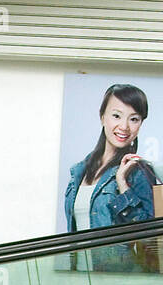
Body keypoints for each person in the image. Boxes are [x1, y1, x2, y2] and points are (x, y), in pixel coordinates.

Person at [63, 84, 156, 272]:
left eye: (134, 119)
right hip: (80, 278)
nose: (124, 126)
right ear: (102, 116)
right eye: (116, 116)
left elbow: (150, 237)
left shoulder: (137, 172)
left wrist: (123, 185)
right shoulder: (79, 171)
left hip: (117, 282)